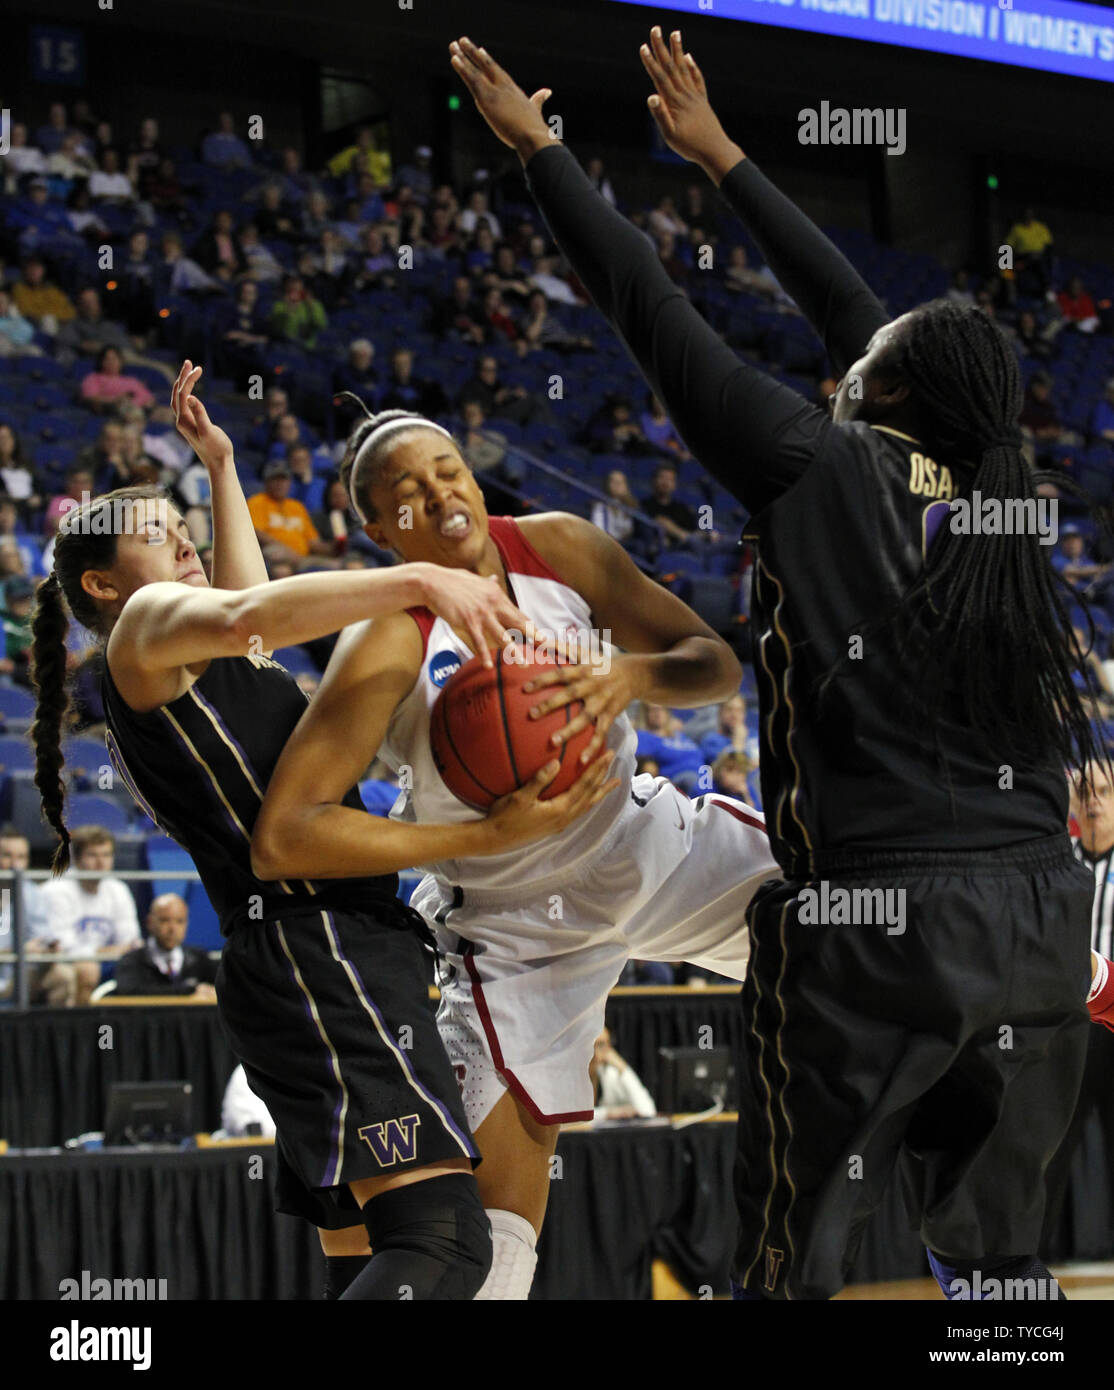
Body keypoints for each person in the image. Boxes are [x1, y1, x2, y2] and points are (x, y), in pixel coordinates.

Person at [449, 29, 1104, 1304]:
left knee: (782, 1263)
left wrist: (542, 156)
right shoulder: (994, 485)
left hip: (885, 921)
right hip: (1039, 914)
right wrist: (727, 160)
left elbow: (651, 303)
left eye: (863, 360)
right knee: (1000, 1267)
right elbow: (867, 318)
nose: (844, 353)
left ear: (881, 387)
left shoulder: (813, 461)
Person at [26, 359, 601, 1300]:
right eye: (164, 540)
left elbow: (246, 608)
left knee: (372, 1253)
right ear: (102, 583)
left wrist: (219, 466)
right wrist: (416, 576)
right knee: (444, 1244)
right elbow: (255, 608)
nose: (187, 549)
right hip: (316, 952)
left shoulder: (195, 647)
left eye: (187, 534)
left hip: (305, 960)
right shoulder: (141, 630)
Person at [251, 399, 779, 1302]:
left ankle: (1082, 977)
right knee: (490, 1244)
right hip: (511, 928)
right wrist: (480, 837)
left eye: (447, 468)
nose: (440, 494)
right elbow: (284, 836)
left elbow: (715, 662)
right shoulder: (385, 638)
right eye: (407, 493)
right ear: (377, 529)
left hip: (642, 845)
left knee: (857, 917)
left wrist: (631, 675)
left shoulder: (558, 546)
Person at [34, 825, 141, 1005]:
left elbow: (130, 941)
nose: (101, 863)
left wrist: (114, 951)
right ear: (76, 858)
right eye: (92, 855)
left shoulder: (118, 889)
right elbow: (63, 946)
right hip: (57, 963)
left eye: (106, 855)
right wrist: (109, 951)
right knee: (88, 968)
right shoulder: (56, 890)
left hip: (109, 961)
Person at [112, 892, 218, 998]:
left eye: (179, 921)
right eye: (165, 921)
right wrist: (189, 992)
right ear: (150, 922)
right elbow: (129, 992)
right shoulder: (132, 961)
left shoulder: (200, 959)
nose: (172, 929)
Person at [589, 1027, 656, 1120]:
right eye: (591, 1046)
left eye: (601, 1045)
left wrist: (623, 1069)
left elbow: (648, 1111)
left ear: (609, 1048)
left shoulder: (611, 1075)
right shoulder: (572, 1077)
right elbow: (574, 1118)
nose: (596, 1053)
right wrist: (607, 1113)